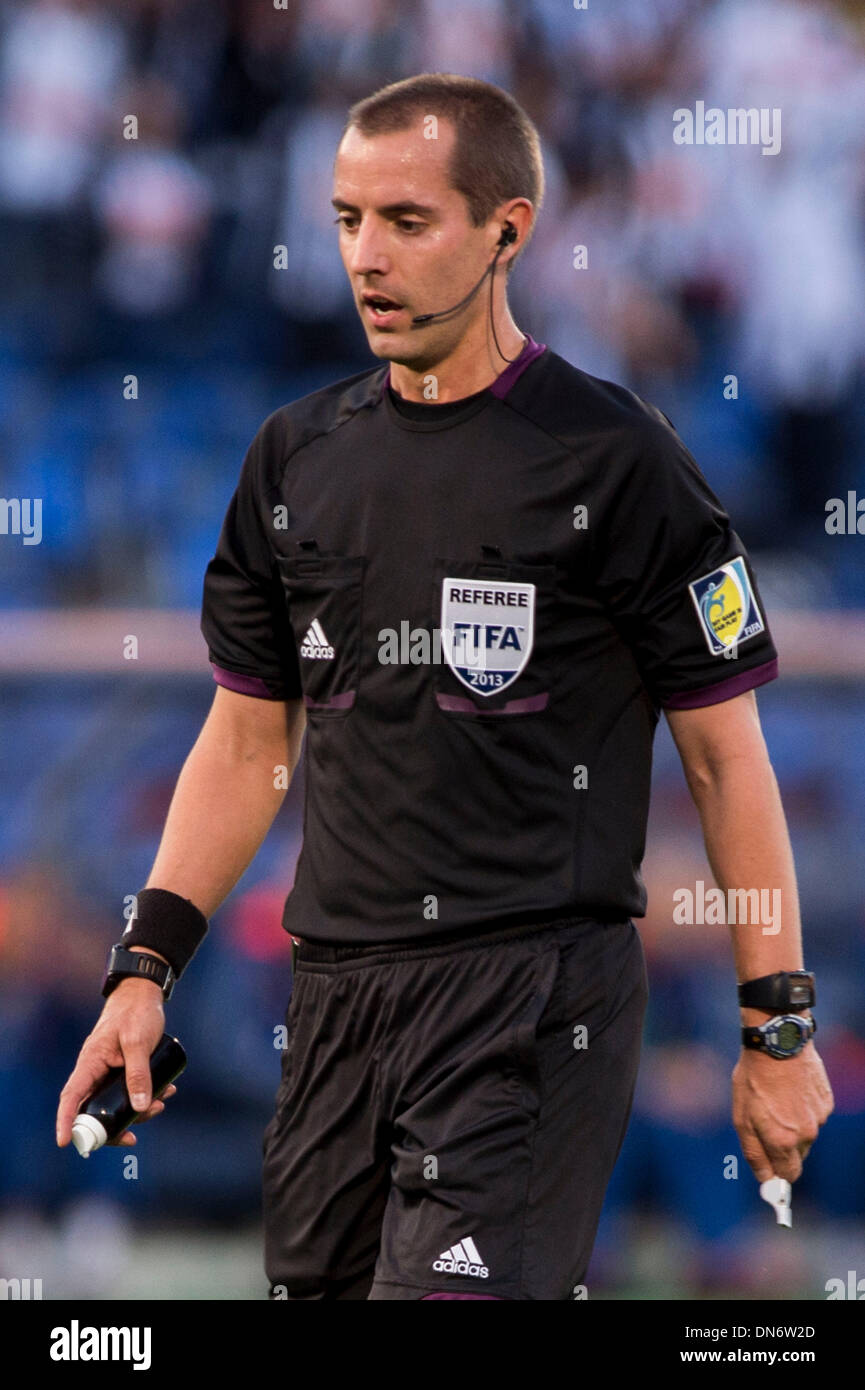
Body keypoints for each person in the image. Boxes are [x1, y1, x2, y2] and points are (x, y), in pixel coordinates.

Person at [57, 73, 834, 1301]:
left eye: (407, 222)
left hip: (531, 1006)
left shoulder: (617, 460)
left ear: (507, 230)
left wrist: (775, 1029)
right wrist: (143, 970)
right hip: (334, 1007)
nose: (366, 256)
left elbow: (725, 759)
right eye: (347, 220)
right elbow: (250, 738)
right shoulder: (294, 457)